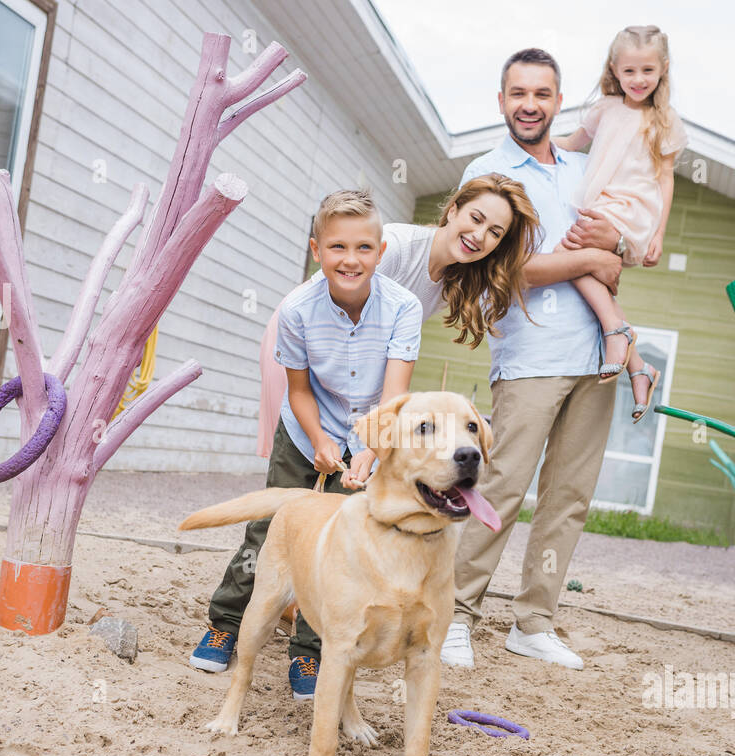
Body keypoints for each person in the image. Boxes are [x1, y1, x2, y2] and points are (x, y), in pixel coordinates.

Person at [439, 47, 634, 671]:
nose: (529, 105)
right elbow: (501, 266)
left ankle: (534, 621)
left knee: (569, 496)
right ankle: (455, 616)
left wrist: (614, 251)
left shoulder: (585, 168)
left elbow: (615, 248)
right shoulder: (488, 170)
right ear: (501, 101)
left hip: (595, 355)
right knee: (501, 486)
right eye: (517, 93)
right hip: (530, 355)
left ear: (558, 100)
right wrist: (586, 261)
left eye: (542, 94)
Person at [190, 188, 423, 700]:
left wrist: (372, 450)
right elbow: (297, 390)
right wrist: (319, 441)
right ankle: (227, 621)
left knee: (340, 549)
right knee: (270, 530)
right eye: (337, 247)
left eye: (364, 248)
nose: (351, 259)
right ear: (317, 249)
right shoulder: (297, 308)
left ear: (381, 253)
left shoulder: (404, 307)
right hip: (305, 432)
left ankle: (309, 654)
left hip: (372, 438)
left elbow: (396, 395)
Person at [253, 173, 542, 479]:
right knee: (297, 455)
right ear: (454, 209)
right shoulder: (398, 248)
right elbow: (323, 301)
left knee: (341, 466)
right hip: (304, 342)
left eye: (495, 232)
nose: (480, 235)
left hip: (347, 363)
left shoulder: (453, 280)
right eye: (476, 218)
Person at [553, 24, 688, 421]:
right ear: (614, 69)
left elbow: (665, 178)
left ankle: (617, 335)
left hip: (632, 210)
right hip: (598, 205)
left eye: (648, 70)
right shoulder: (605, 109)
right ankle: (638, 363)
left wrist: (659, 235)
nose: (638, 80)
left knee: (564, 256)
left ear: (663, 68)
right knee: (579, 264)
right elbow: (571, 143)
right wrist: (528, 138)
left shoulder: (665, 120)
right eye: (629, 71)